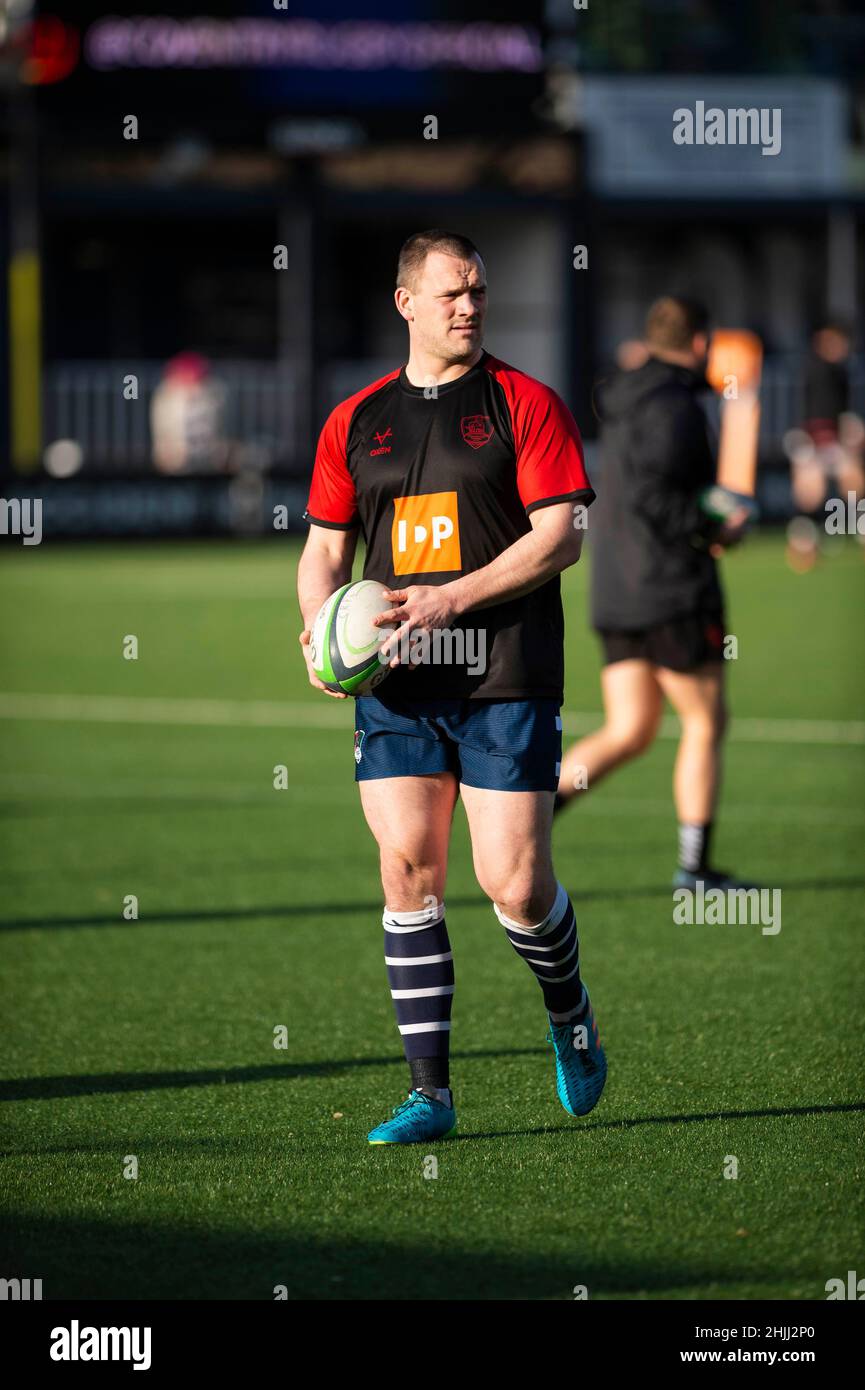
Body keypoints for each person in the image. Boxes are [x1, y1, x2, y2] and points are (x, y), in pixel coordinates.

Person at [296, 230, 606, 1145]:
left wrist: (454, 599)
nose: (468, 305)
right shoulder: (354, 420)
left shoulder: (524, 402)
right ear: (406, 304)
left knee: (512, 884)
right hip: (395, 684)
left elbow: (561, 536)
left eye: (476, 290)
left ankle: (570, 1014)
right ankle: (429, 1095)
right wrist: (318, 630)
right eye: (449, 294)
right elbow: (323, 549)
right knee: (406, 871)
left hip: (505, 673)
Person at [555, 296, 752, 890]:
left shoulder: (624, 397)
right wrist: (717, 527)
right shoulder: (676, 406)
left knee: (631, 728)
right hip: (672, 590)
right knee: (705, 721)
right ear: (699, 341)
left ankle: (523, 818)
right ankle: (695, 868)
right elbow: (661, 499)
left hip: (615, 588)